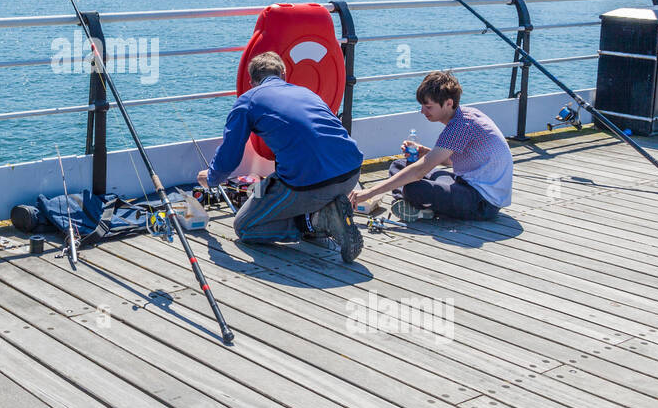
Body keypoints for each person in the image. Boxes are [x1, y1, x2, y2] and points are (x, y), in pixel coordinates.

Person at [197, 52, 365, 261]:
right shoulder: (306, 93)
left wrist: (211, 178)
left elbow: (229, 156)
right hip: (351, 174)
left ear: (251, 83)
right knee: (274, 187)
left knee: (245, 226)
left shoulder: (247, 101)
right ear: (283, 75)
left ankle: (317, 221)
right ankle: (324, 212)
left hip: (308, 184)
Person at [350, 70, 512, 221]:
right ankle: (410, 204)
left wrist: (369, 192)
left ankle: (411, 202)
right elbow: (452, 161)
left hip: (483, 202)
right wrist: (424, 152)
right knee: (399, 165)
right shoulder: (465, 115)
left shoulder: (461, 126)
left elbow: (419, 171)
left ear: (449, 103)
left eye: (428, 107)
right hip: (467, 183)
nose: (423, 111)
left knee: (413, 187)